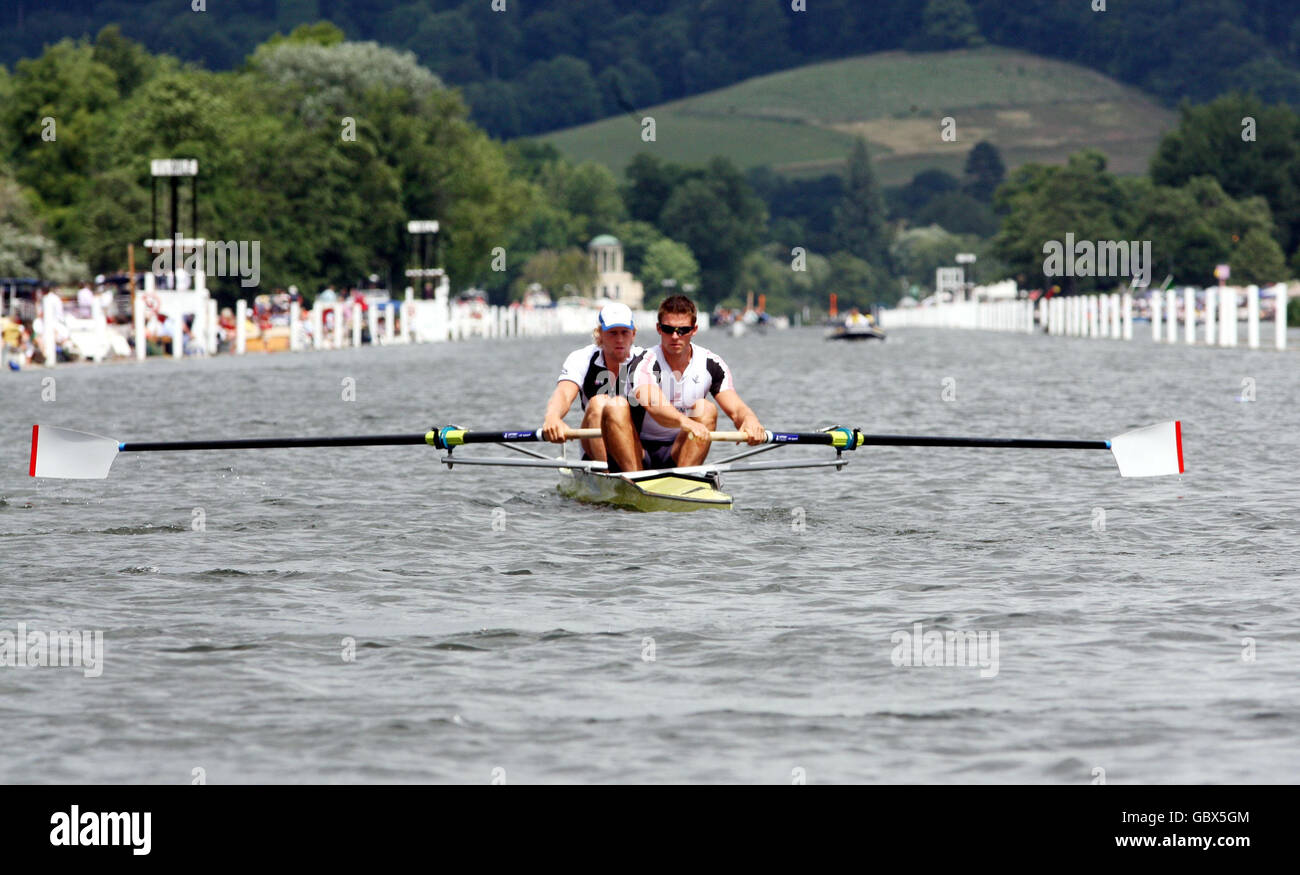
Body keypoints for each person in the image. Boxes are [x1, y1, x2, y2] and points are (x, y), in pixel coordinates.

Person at [603, 294, 765, 472]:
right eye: (668, 329)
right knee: (615, 406)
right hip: (636, 449)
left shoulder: (711, 364)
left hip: (679, 449)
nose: (674, 336)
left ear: (694, 330)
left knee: (706, 408)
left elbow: (736, 409)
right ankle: (632, 479)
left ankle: (683, 481)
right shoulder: (641, 362)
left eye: (682, 330)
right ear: (658, 328)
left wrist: (750, 420)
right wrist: (684, 421)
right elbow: (653, 404)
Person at [541, 302, 644, 462]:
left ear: (633, 334)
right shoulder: (581, 358)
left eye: (625, 332)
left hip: (636, 446)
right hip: (594, 447)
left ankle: (628, 476)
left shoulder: (646, 360)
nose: (619, 339)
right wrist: (553, 417)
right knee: (598, 403)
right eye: (612, 333)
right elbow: (564, 393)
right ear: (599, 334)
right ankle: (607, 475)